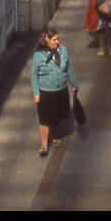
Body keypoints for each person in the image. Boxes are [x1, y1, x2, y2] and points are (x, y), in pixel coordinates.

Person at [31, 27, 77, 156]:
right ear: (46, 40)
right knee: (44, 119)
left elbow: (69, 69)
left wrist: (73, 85)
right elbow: (34, 76)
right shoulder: (38, 56)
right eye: (54, 40)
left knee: (58, 116)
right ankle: (44, 145)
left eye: (58, 39)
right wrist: (36, 93)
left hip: (61, 90)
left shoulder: (63, 51)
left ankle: (56, 136)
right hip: (45, 92)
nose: (57, 42)